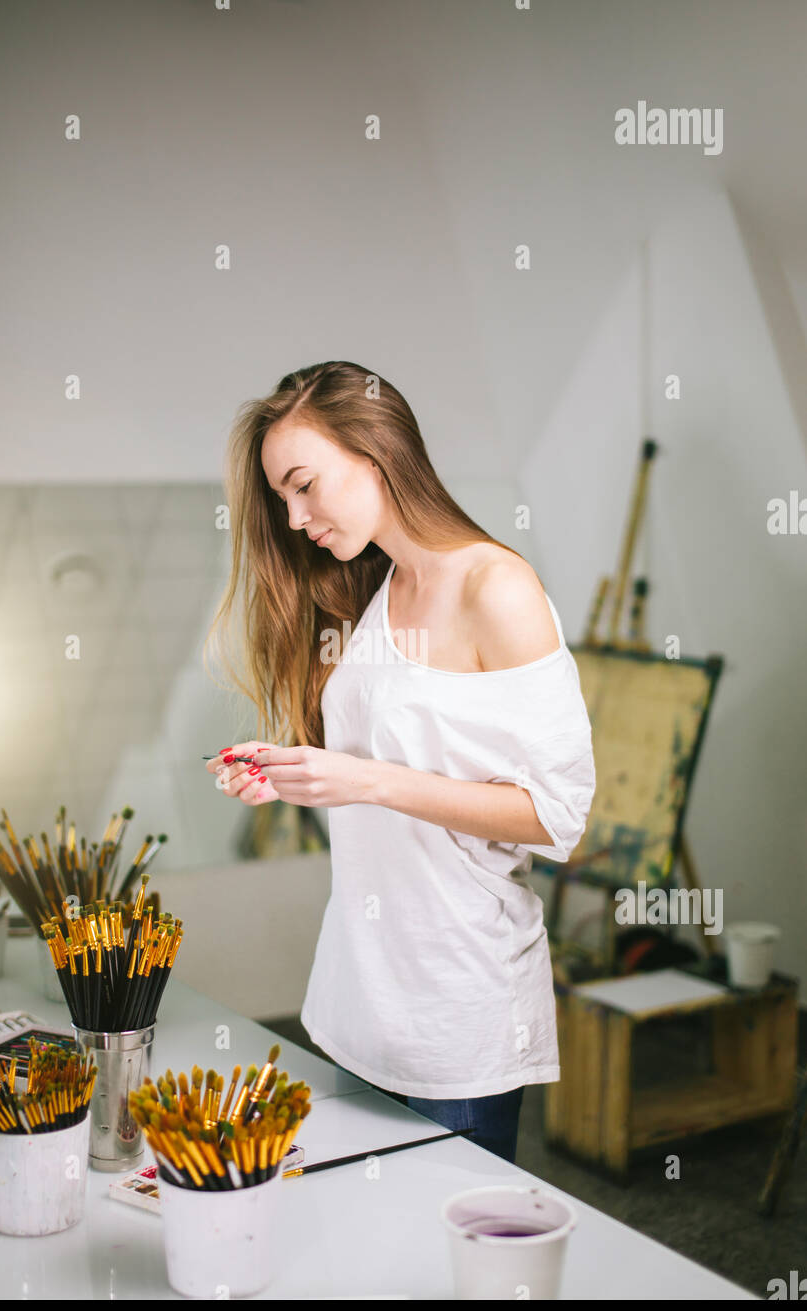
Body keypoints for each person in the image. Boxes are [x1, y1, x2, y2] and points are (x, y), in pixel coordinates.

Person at [204, 361, 596, 1164]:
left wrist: (365, 780)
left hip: (458, 999)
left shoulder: (497, 586)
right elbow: (378, 766)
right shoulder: (375, 593)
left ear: (375, 455)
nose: (294, 516)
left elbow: (560, 819)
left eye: (305, 486)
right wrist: (291, 771)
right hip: (362, 989)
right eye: (282, 498)